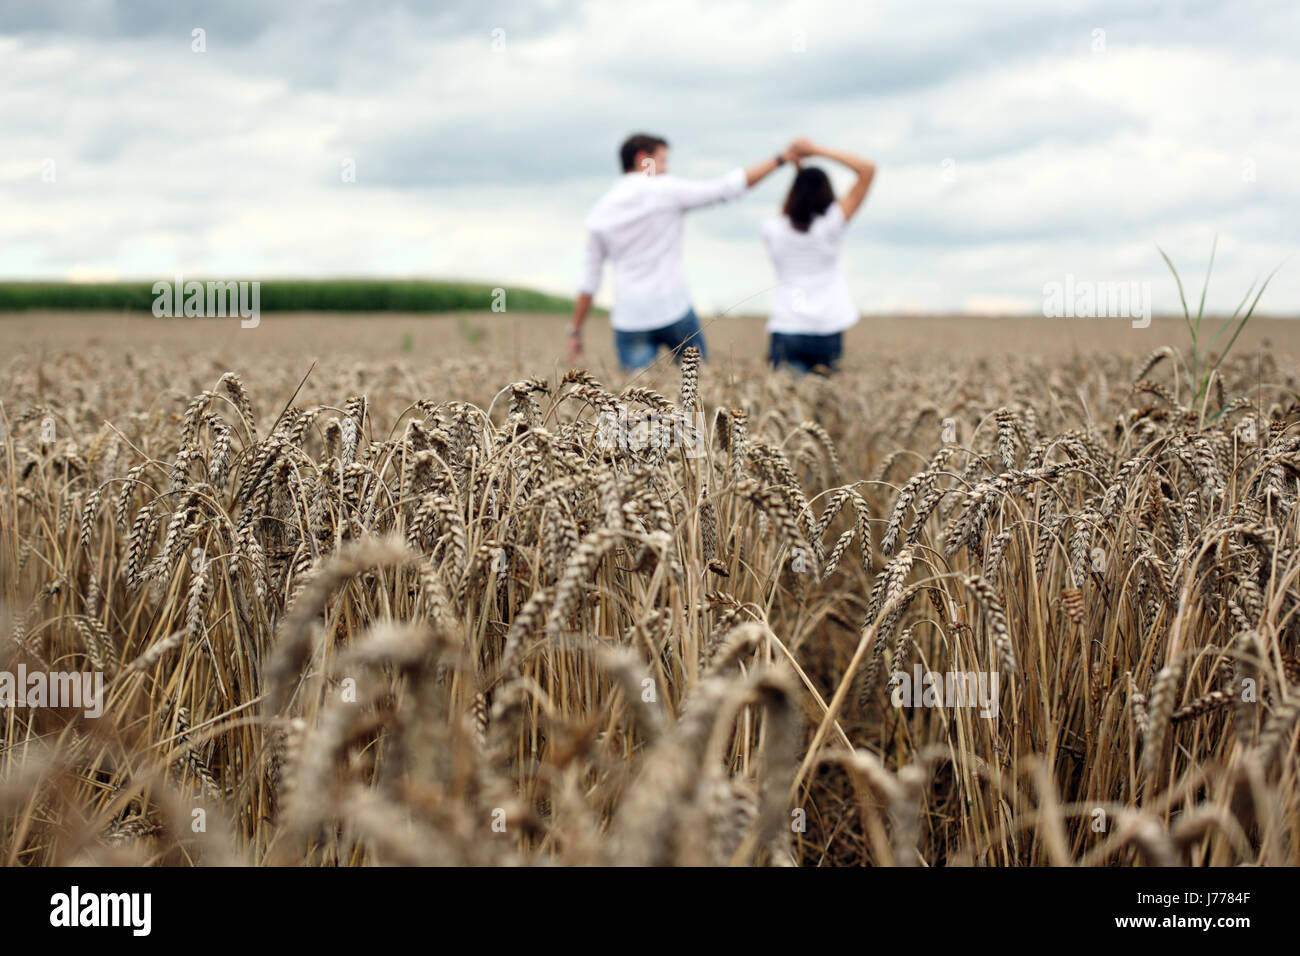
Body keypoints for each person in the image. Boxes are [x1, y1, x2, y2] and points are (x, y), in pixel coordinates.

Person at [569, 133, 798, 371]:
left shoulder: (600, 211)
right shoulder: (665, 190)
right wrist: (780, 160)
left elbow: (589, 280)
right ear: (642, 159)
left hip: (630, 316)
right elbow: (725, 189)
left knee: (639, 401)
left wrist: (575, 331)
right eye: (663, 161)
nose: (666, 169)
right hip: (673, 308)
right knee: (699, 390)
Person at [761, 138, 875, 374]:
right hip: (827, 326)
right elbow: (868, 170)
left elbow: (790, 212)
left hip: (787, 326)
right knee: (823, 404)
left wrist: (795, 172)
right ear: (827, 194)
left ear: (792, 195)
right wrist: (817, 151)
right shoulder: (832, 224)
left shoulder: (772, 229)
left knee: (786, 404)